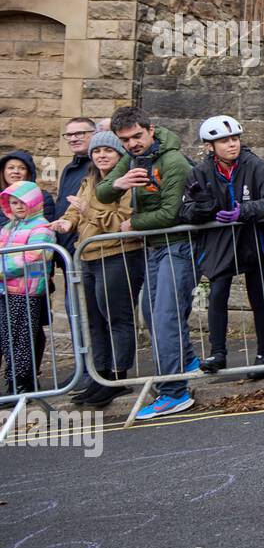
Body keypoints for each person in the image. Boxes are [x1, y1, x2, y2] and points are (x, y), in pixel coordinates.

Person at [96, 106, 200, 418]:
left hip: (179, 247)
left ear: (151, 130)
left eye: (137, 136)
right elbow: (102, 193)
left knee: (166, 318)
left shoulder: (172, 161)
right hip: (154, 249)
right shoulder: (132, 160)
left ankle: (174, 392)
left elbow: (171, 214)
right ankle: (188, 362)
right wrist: (119, 183)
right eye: (125, 140)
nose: (132, 144)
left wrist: (133, 223)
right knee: (151, 314)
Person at [178, 116, 264, 378]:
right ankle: (218, 353)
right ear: (210, 146)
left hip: (254, 238)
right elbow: (186, 211)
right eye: (224, 141)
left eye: (235, 139)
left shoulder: (259, 166)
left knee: (257, 296)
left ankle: (263, 353)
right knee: (217, 293)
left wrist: (242, 211)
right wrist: (203, 206)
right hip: (220, 243)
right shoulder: (199, 172)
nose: (232, 144)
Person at [50, 130, 143, 407]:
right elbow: (75, 210)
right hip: (88, 255)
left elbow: (125, 222)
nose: (102, 155)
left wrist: (87, 211)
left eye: (108, 151)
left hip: (118, 254)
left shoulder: (127, 181)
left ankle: (118, 377)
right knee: (93, 321)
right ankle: (99, 375)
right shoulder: (91, 178)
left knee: (116, 317)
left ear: (119, 155)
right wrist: (66, 222)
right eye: (97, 151)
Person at [0, 181, 54, 396]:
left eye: (23, 202)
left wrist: (2, 270)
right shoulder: (8, 227)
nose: (19, 207)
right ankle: (14, 382)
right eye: (14, 203)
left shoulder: (41, 227)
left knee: (22, 338)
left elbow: (33, 258)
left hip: (27, 291)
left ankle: (22, 384)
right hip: (6, 291)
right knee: (7, 338)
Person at [53, 118, 97, 255]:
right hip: (65, 243)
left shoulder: (100, 166)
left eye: (79, 133)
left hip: (86, 245)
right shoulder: (69, 168)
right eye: (69, 135)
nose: (73, 139)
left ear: (94, 134)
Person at [1, 150, 56, 221]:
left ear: (29, 173)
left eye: (22, 168)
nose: (16, 171)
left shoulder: (42, 197)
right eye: (11, 168)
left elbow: (44, 226)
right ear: (3, 172)